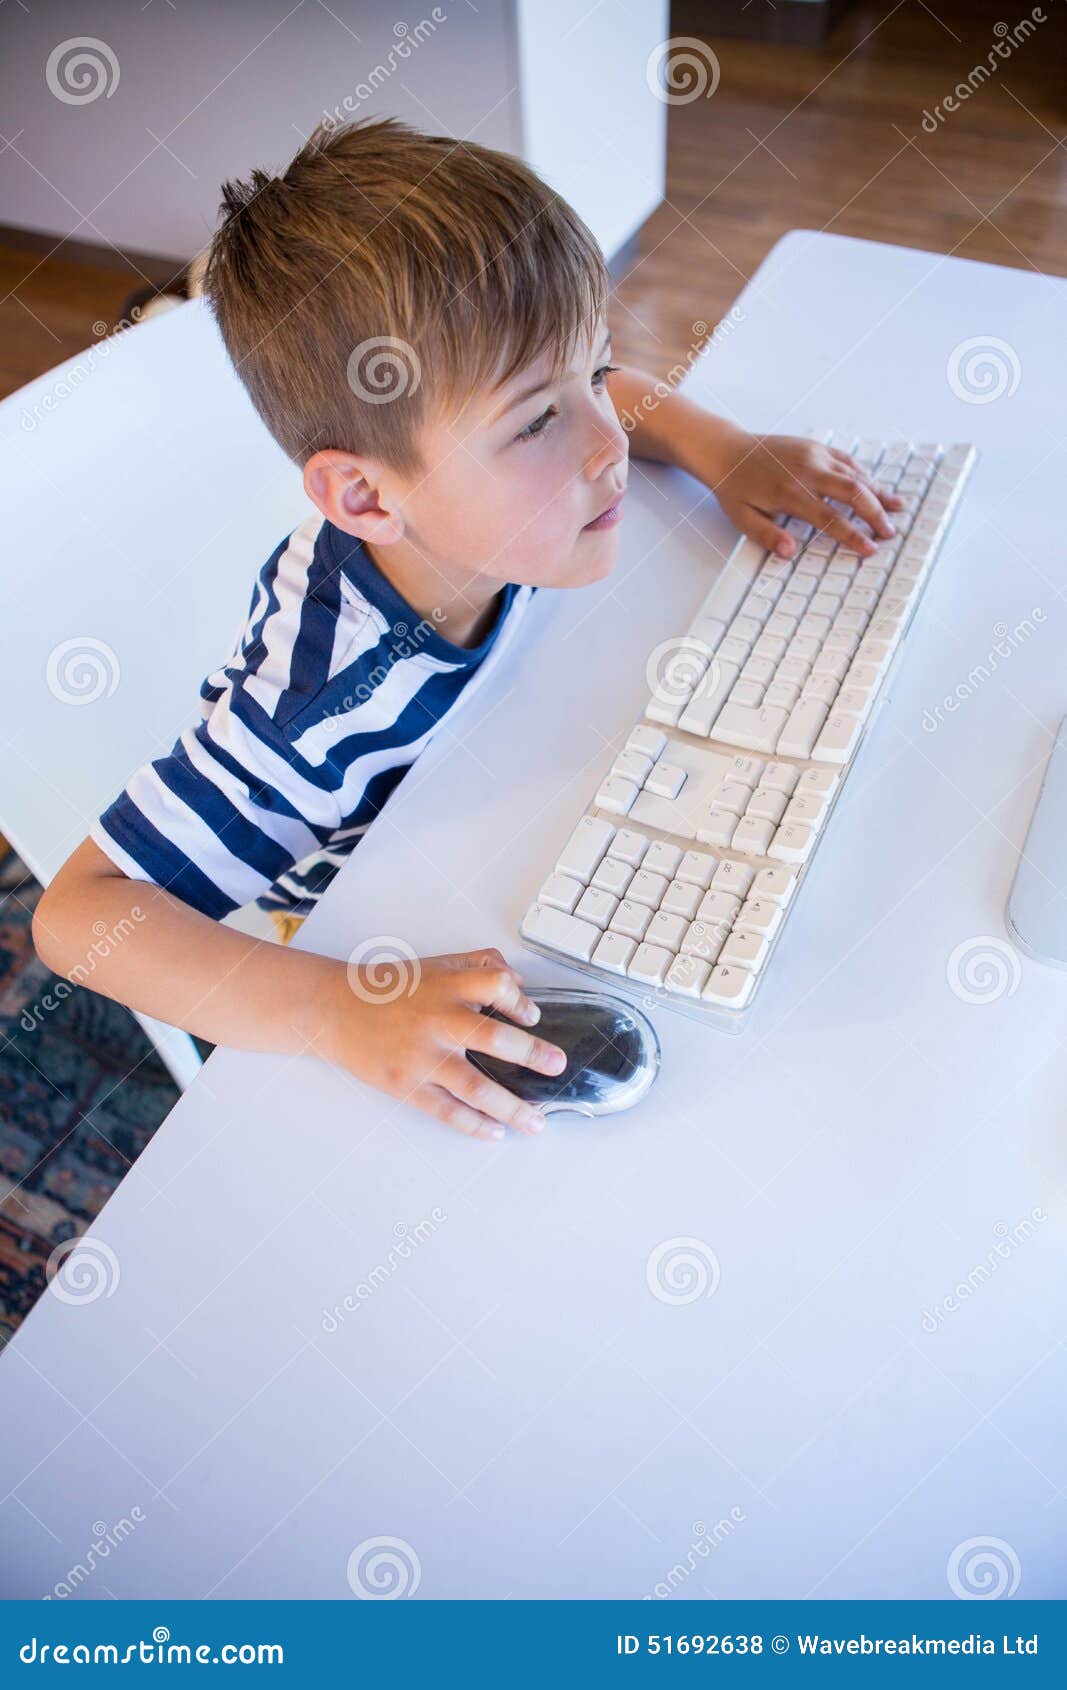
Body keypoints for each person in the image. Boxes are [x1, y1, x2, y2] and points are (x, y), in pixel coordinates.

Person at [32, 117, 901, 1143]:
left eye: (590, 370)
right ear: (363, 497)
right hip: (378, 913)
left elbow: (608, 401)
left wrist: (723, 447)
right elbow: (81, 915)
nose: (602, 444)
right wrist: (335, 1007)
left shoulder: (488, 496)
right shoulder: (324, 704)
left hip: (507, 770)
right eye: (536, 421)